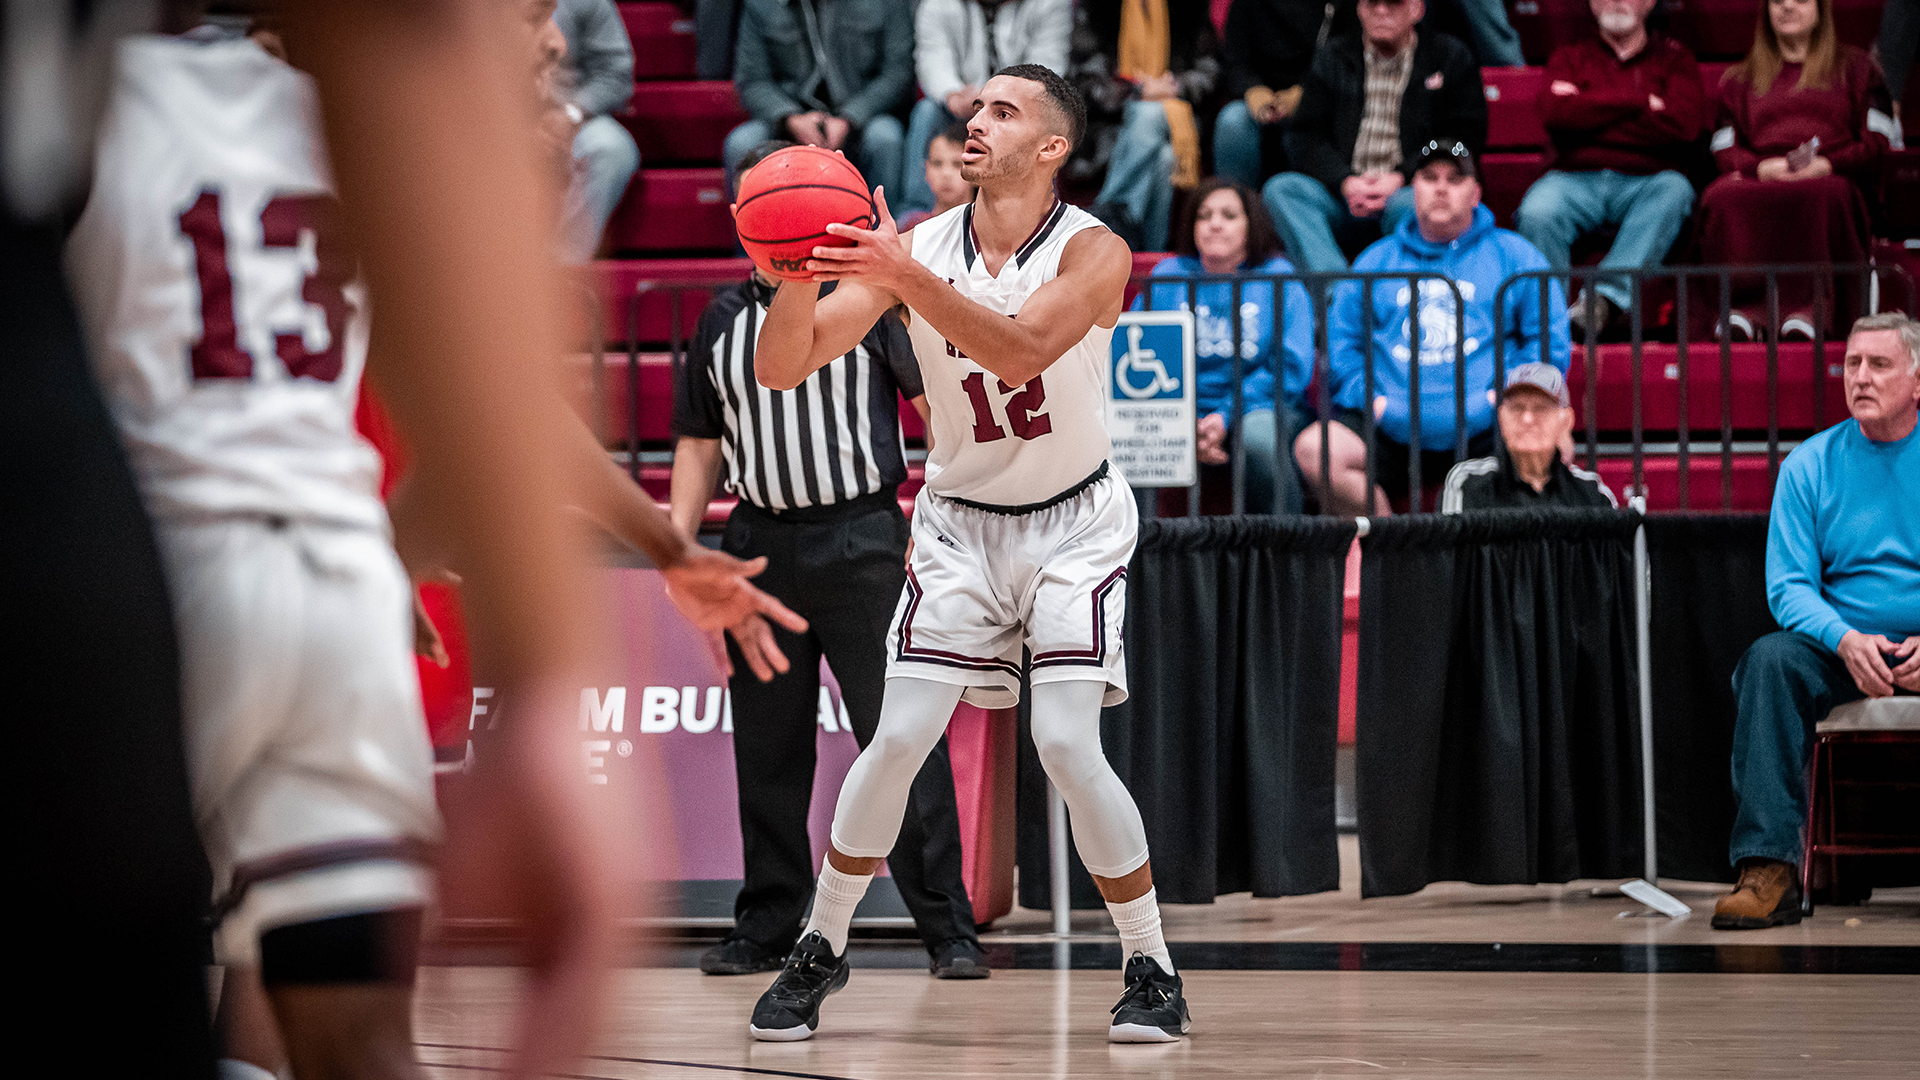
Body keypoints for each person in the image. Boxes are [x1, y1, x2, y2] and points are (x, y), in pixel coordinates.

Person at [66, 16, 805, 1080]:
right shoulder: (374, 133)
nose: (544, 41)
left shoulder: (99, 99)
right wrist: (654, 548)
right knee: (355, 1025)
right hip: (335, 596)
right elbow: (505, 415)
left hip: (165, 579)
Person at [746, 64, 1192, 1043]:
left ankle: (1151, 965)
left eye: (1002, 111)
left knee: (1067, 745)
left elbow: (1023, 351)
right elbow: (784, 366)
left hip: (1074, 521)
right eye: (974, 105)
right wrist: (795, 277)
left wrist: (899, 273)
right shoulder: (918, 245)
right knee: (899, 737)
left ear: (1052, 148)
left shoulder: (1094, 252)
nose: (973, 120)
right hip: (958, 522)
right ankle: (820, 948)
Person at [676, 141, 989, 982]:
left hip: (863, 540)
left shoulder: (868, 310)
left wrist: (949, 512)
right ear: (746, 223)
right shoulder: (716, 321)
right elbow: (698, 444)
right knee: (767, 750)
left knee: (899, 740)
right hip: (757, 546)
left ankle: (947, 928)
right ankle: (769, 922)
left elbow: (936, 410)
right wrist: (680, 552)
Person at [1713, 312, 1920, 930]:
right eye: (1852, 364)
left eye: (1878, 364)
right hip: (1845, 647)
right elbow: (1789, 586)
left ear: (1916, 379)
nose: (1860, 377)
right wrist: (1843, 638)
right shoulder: (1810, 463)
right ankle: (1768, 869)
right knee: (1770, 660)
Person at [1295, 139, 1570, 515]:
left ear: (1475, 194)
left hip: (1488, 426)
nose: (1441, 187)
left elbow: (1546, 343)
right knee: (1316, 449)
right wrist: (1372, 401)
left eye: (1455, 179)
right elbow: (1343, 345)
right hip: (1390, 427)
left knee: (1555, 440)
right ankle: (1387, 548)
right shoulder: (1376, 261)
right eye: (1429, 177)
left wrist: (1505, 396)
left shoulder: (1516, 255)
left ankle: (1495, 565)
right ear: (1413, 191)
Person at [1698, 0, 1895, 340]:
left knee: (1825, 194)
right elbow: (1722, 146)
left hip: (1829, 173)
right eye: (1777, 1)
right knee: (1721, 196)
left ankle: (1815, 307)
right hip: (1763, 174)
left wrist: (1828, 164)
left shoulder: (1859, 69)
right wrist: (1760, 168)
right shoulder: (1739, 79)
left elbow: (1878, 139)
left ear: (1821, 9)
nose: (1787, 6)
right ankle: (1742, 309)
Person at [1514, 0, 1706, 338]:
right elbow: (1557, 117)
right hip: (1573, 178)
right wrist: (1640, 102)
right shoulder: (1569, 57)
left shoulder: (1676, 60)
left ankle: (1603, 299)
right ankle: (1548, 325)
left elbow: (1683, 128)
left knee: (1675, 191)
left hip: (1647, 180)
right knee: (1537, 209)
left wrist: (1589, 104)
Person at [1261, 0, 1487, 273]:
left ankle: (1392, 295)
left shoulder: (1449, 57)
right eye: (1372, 3)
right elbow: (1305, 135)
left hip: (1406, 189)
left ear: (1417, 9)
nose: (1381, 11)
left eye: (1393, 4)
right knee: (1283, 190)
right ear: (1359, 9)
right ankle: (1335, 289)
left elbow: (1464, 135)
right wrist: (1345, 181)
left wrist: (1402, 176)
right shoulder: (1333, 56)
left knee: (1414, 201)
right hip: (1343, 193)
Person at [1133, 178, 1315, 513]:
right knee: (1132, 436)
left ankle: (1287, 553)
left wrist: (1224, 416)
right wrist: (1182, 419)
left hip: (1260, 406)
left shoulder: (1278, 276)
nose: (1215, 224)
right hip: (1179, 408)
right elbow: (1136, 351)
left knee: (1258, 439)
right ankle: (1140, 556)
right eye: (1205, 215)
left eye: (1229, 215)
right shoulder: (1168, 275)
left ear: (1251, 224)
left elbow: (1289, 368)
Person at [1066, 0, 1220, 252]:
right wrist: (1137, 90)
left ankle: (1101, 225)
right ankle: (1149, 257)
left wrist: (1176, 87)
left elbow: (1210, 70)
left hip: (1179, 120)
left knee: (1149, 115)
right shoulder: (1096, 8)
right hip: (1107, 128)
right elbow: (1083, 80)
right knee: (1163, 157)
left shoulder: (1192, 7)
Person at [723, 0, 913, 197]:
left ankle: (887, 226)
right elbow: (753, 80)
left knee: (885, 137)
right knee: (741, 143)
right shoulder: (761, 5)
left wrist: (850, 117)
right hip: (787, 125)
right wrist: (790, 118)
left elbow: (898, 74)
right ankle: (748, 227)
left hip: (861, 121)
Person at [904, 0, 1072, 218]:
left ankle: (1035, 214)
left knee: (1042, 118)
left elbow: (1048, 69)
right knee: (927, 112)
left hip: (1016, 106)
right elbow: (933, 60)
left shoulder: (1049, 4)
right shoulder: (938, 4)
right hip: (957, 106)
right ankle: (918, 213)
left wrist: (995, 101)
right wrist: (952, 94)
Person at [1214, 0, 1358, 189]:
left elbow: (1346, 56)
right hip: (1258, 99)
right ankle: (1235, 204)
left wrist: (1306, 93)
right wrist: (1253, 90)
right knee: (1233, 121)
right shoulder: (1245, 4)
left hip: (1317, 96)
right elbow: (1235, 60)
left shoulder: (1339, 5)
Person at [1440, 364, 1617, 512]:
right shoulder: (1467, 484)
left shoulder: (1592, 494)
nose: (1527, 419)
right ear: (1501, 418)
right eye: (1516, 407)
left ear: (1566, 421)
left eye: (1541, 408)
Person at [552, 0, 640, 263]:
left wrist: (572, 112)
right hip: (491, 117)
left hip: (569, 112)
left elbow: (615, 73)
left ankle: (562, 268)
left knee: (612, 148)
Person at [898, 122, 978, 231]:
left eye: (957, 164)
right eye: (937, 163)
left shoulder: (986, 231)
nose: (946, 173)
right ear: (926, 169)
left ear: (976, 173)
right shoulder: (912, 227)